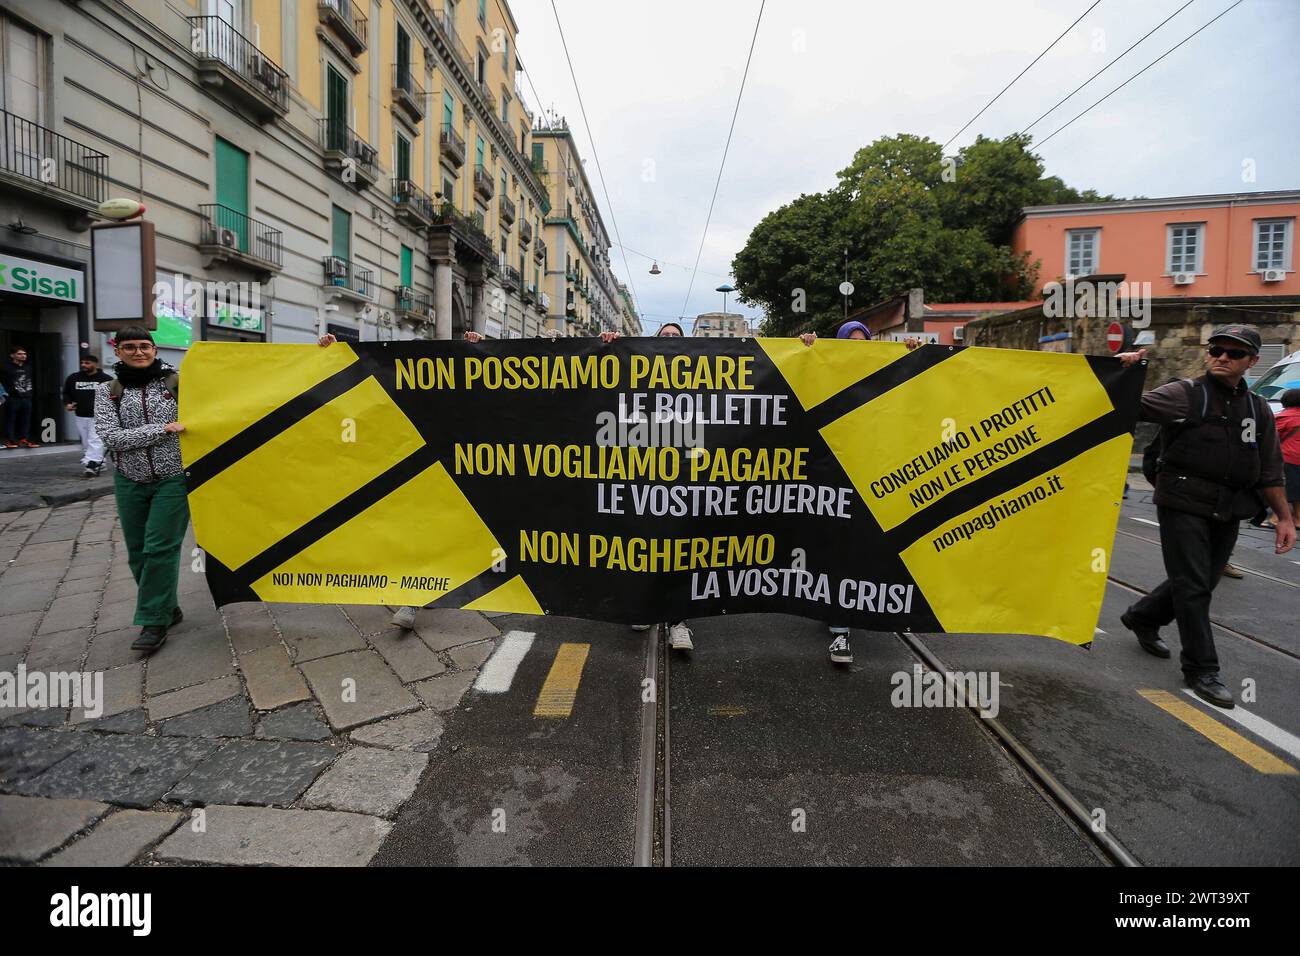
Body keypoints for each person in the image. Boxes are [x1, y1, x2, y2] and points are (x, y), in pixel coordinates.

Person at [1116, 326, 1295, 708]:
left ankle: (1143, 617)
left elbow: (1269, 469)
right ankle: (1202, 668)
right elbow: (1133, 405)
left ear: (1251, 361)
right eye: (1217, 350)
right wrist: (1126, 371)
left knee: (1201, 581)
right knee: (1194, 586)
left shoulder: (1259, 408)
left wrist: (1284, 517)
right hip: (1182, 501)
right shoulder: (1185, 394)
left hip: (1229, 507)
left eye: (1234, 353)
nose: (1222, 357)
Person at [318, 327, 484, 629]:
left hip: (442, 474)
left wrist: (475, 348)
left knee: (432, 535)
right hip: (403, 473)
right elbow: (354, 373)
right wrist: (333, 348)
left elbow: (483, 383)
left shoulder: (447, 382)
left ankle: (417, 597)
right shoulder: (388, 381)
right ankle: (414, 596)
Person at [803, 321, 919, 663]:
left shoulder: (883, 371)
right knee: (836, 549)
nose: (857, 347)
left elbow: (912, 389)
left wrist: (911, 352)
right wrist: (807, 347)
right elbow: (801, 377)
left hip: (870, 478)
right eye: (850, 342)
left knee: (855, 550)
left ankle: (842, 619)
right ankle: (839, 626)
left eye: (863, 341)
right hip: (831, 478)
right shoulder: (825, 370)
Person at [94, 328, 189, 653]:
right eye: (129, 347)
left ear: (154, 348)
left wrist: (322, 353)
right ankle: (166, 606)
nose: (138, 352)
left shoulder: (176, 384)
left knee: (159, 547)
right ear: (117, 351)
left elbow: (236, 390)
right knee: (137, 552)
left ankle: (153, 621)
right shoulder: (107, 390)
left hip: (173, 478)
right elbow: (111, 437)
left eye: (144, 346)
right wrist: (161, 430)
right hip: (128, 478)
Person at [624, 321, 695, 650]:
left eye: (675, 337)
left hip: (684, 471)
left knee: (680, 545)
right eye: (663, 336)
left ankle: (678, 621)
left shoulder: (699, 374)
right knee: (646, 539)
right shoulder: (638, 372)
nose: (669, 340)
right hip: (646, 469)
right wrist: (607, 344)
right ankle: (646, 606)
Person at [64, 353, 112, 476]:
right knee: (86, 442)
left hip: (99, 414)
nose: (83, 365)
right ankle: (100, 462)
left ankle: (92, 464)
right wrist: (67, 403)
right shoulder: (73, 378)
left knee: (95, 439)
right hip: (80, 414)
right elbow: (66, 393)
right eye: (82, 363)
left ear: (95, 364)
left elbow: (114, 395)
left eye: (87, 363)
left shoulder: (105, 379)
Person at [2, 345, 39, 448]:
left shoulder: (28, 367)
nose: (23, 356)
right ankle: (9, 440)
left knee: (25, 420)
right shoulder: (6, 368)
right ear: (12, 355)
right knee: (10, 419)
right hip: (12, 398)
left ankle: (24, 439)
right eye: (19, 354)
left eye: (24, 354)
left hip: (26, 397)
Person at [1276, 388, 1300, 531]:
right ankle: (1298, 518)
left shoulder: (1283, 417)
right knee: (1298, 490)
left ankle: (1276, 518)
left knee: (1283, 490)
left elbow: (1271, 438)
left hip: (1288, 458)